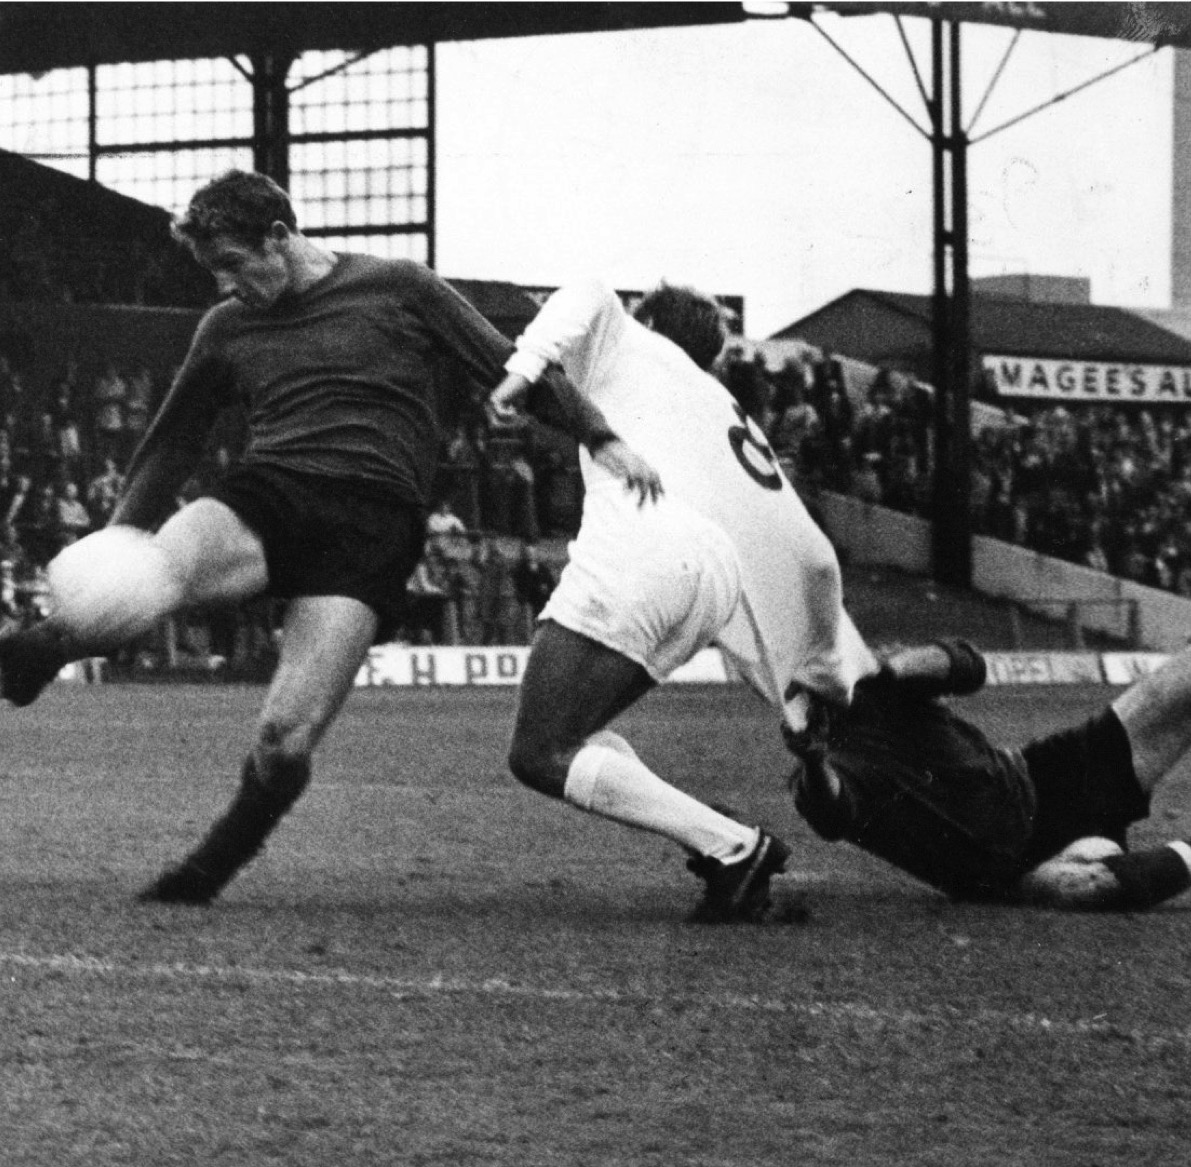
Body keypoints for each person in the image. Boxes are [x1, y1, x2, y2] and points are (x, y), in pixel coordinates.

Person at [0, 170, 661, 905]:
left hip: (373, 529)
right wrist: (117, 540)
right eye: (213, 271)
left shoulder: (400, 288)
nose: (225, 285)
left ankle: (208, 868)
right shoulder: (225, 327)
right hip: (269, 494)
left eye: (232, 264)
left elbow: (509, 364)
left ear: (279, 236)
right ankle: (32, 652)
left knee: (284, 740)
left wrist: (599, 435)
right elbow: (174, 440)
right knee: (150, 573)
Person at [488, 278, 877, 923]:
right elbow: (811, 553)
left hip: (643, 546)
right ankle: (723, 845)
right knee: (574, 736)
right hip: (714, 576)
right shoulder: (723, 409)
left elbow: (588, 290)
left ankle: (732, 847)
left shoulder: (633, 345)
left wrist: (522, 368)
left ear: (650, 322)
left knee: (538, 754)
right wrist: (813, 681)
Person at [786, 639, 1191, 911]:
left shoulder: (885, 685)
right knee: (1085, 887)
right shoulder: (819, 770)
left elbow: (969, 664)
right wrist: (814, 759)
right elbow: (832, 813)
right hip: (1019, 871)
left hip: (1050, 780)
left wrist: (891, 670)